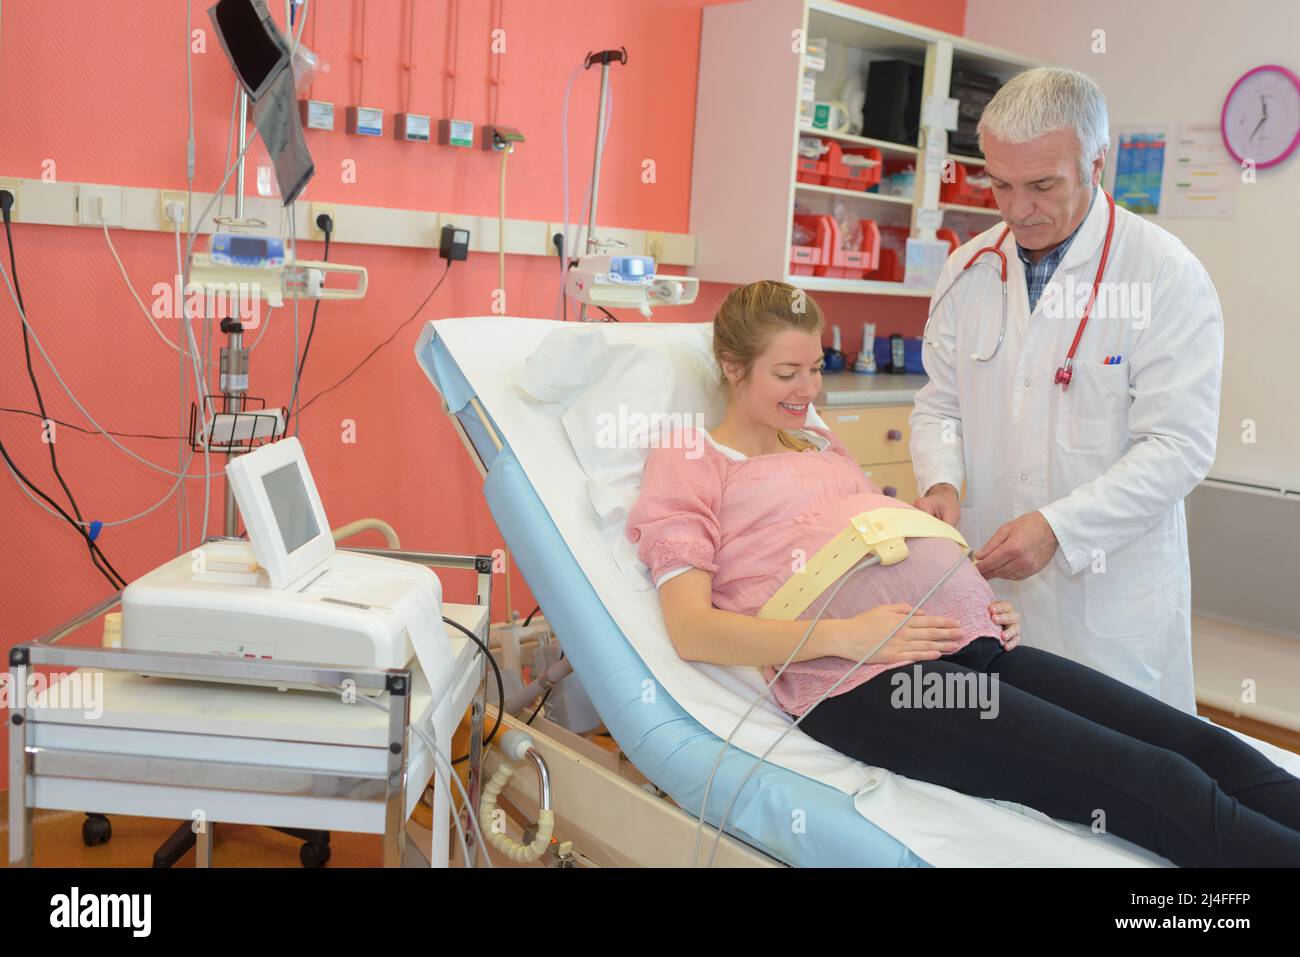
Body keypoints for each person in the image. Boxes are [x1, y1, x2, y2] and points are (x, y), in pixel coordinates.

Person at [626, 281, 1299, 867]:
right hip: (867, 684)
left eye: (815, 367)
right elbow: (691, 628)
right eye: (787, 373)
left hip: (967, 642)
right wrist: (845, 633)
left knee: (1200, 743)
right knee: (1157, 780)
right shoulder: (692, 456)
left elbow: (878, 544)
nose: (811, 390)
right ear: (732, 367)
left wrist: (975, 599)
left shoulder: (819, 443)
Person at [910, 67, 1224, 714]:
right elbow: (939, 404)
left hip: (1110, 604)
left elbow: (1178, 447)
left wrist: (1059, 527)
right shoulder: (968, 268)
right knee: (1020, 774)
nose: (1016, 208)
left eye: (1042, 185)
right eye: (998, 183)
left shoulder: (1164, 275)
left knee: (1131, 775)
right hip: (997, 598)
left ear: (1096, 163)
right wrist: (941, 482)